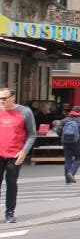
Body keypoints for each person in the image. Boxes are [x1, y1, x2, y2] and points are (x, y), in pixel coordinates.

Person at [0, 88, 36, 223]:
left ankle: (9, 212)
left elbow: (32, 133)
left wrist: (24, 151)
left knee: (11, 183)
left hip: (15, 154)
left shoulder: (24, 112)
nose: (1, 101)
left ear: (13, 97)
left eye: (4, 98)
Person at [56, 105, 80, 184]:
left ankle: (68, 180)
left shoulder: (64, 120)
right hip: (78, 142)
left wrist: (63, 137)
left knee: (68, 159)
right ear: (79, 112)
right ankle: (71, 172)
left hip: (66, 142)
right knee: (79, 158)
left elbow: (58, 131)